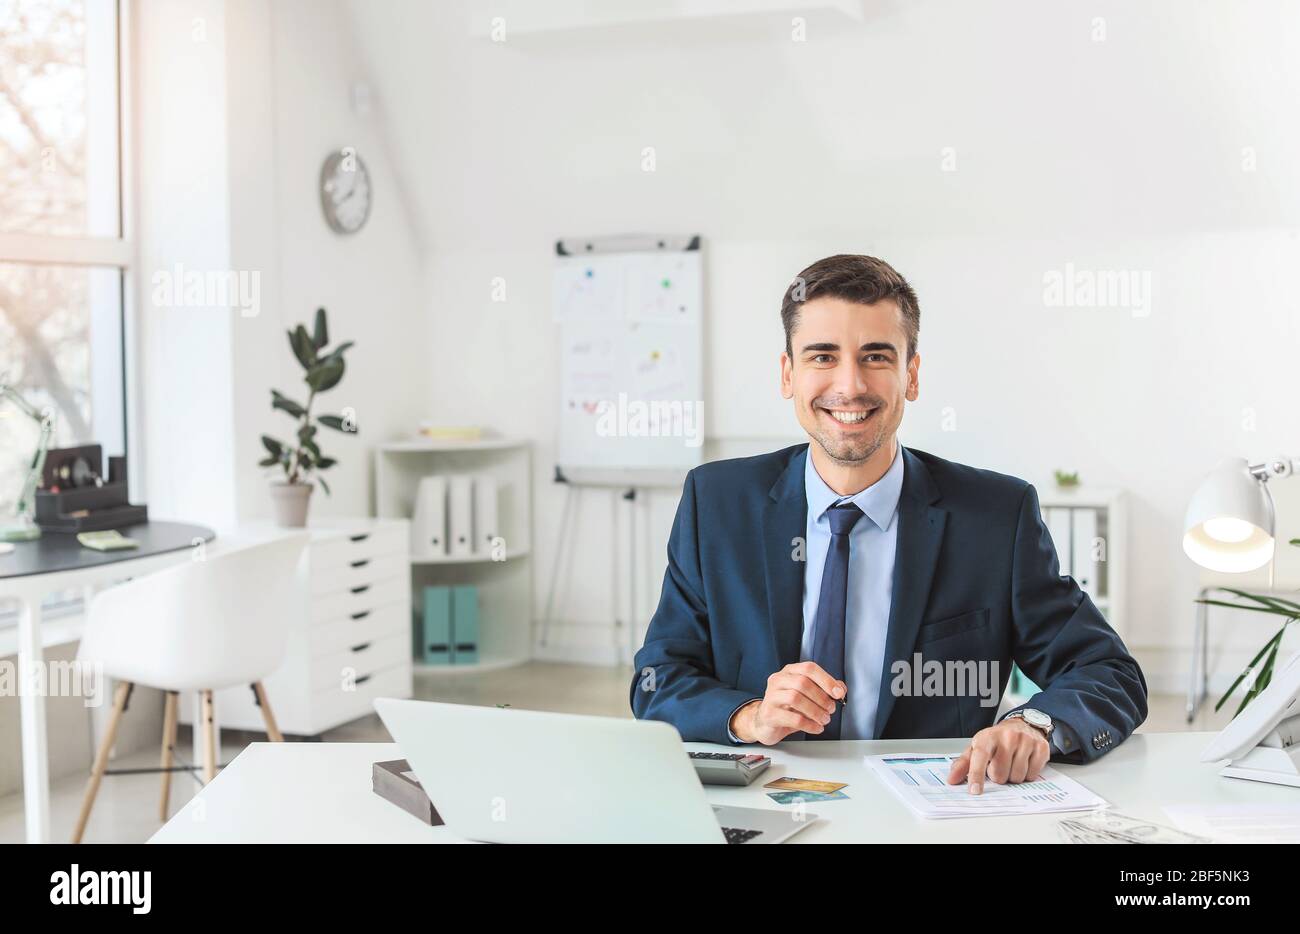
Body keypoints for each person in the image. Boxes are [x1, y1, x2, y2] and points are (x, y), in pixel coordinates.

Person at [630, 254, 1147, 792]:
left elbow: (1110, 673)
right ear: (788, 374)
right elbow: (658, 680)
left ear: (912, 374)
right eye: (822, 356)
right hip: (767, 802)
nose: (850, 386)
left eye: (875, 356)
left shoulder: (996, 516)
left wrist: (1035, 723)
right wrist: (750, 715)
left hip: (930, 812)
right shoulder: (715, 502)